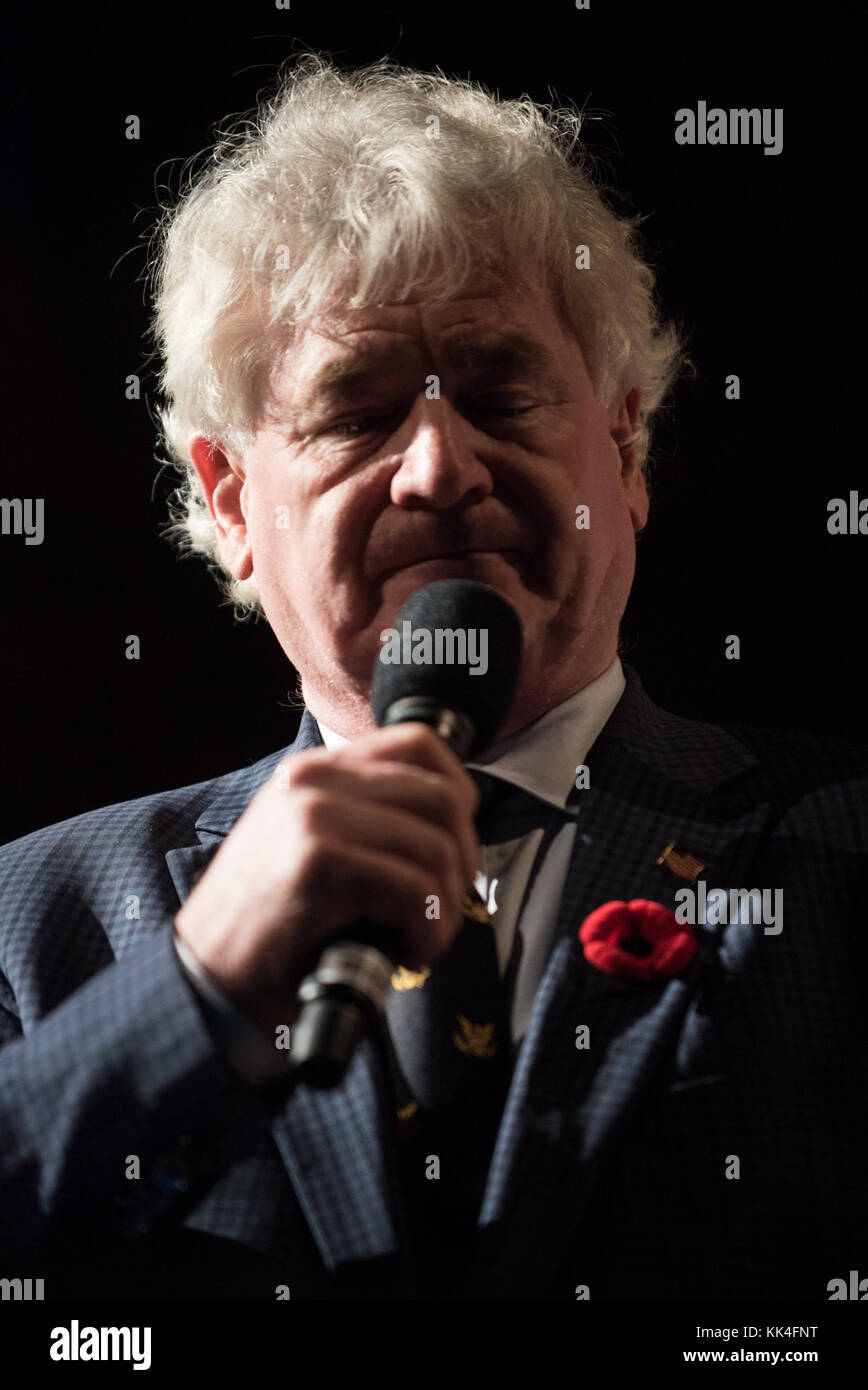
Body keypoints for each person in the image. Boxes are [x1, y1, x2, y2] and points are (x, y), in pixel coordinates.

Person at [1, 54, 865, 1302]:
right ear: (231, 499)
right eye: (356, 413)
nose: (438, 469)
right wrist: (192, 998)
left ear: (623, 448)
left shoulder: (840, 849)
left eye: (501, 392)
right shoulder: (37, 927)